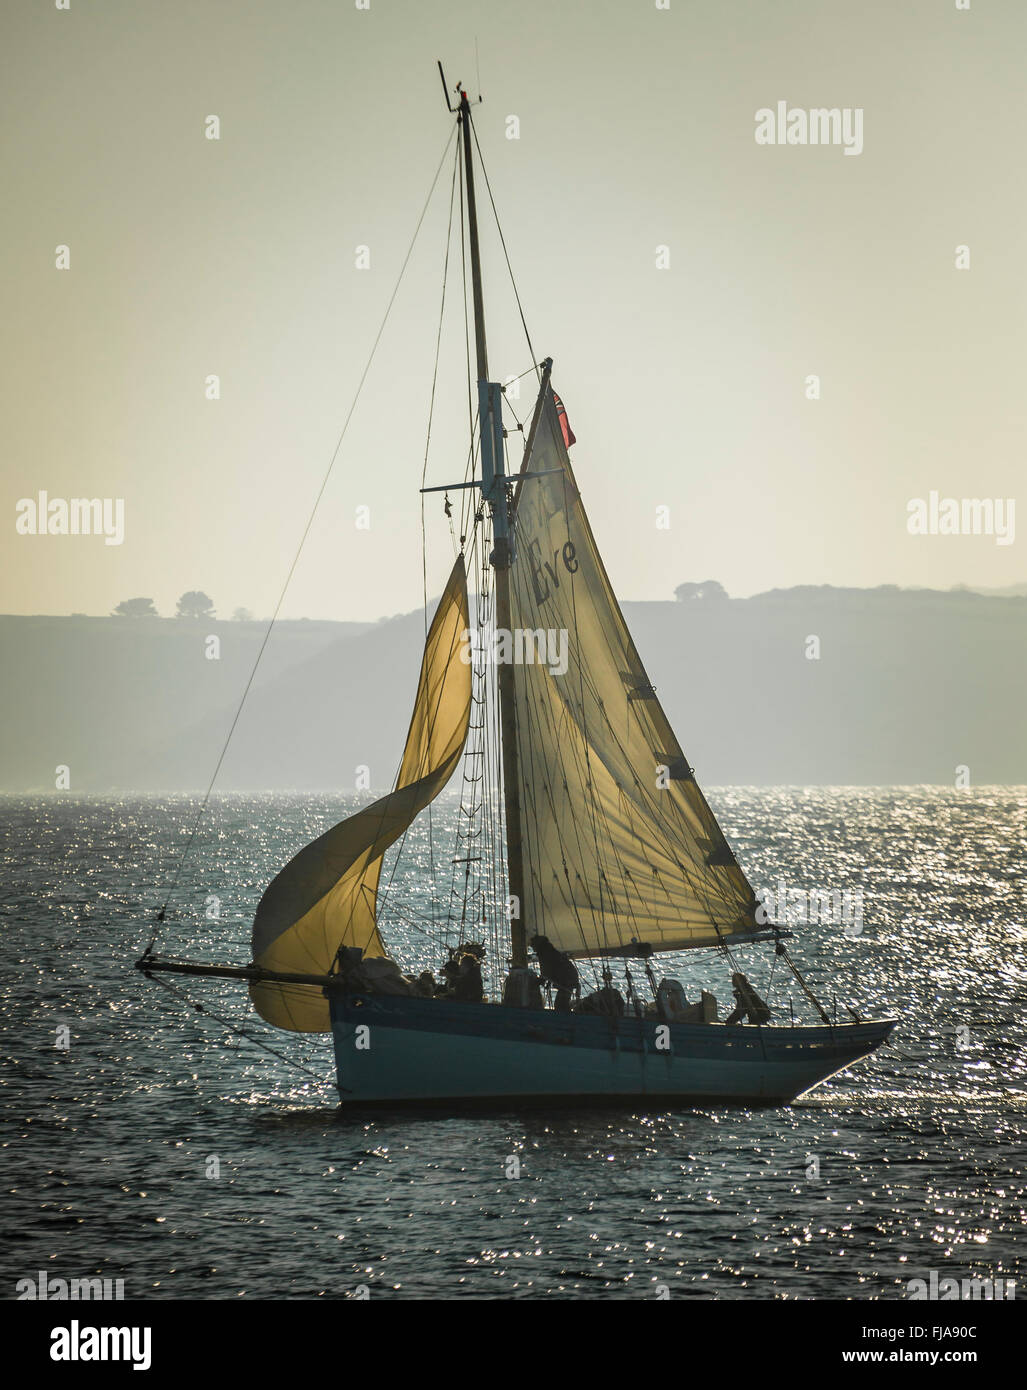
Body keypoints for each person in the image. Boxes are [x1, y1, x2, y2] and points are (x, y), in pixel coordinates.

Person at [530, 933, 579, 1013]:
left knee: (560, 1005)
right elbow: (551, 971)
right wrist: (547, 981)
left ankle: (567, 1020)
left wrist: (536, 982)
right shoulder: (549, 951)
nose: (532, 948)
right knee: (562, 1003)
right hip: (569, 978)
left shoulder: (545, 954)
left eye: (533, 946)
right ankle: (568, 1018)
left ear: (537, 945)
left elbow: (546, 972)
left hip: (567, 980)